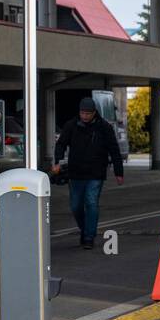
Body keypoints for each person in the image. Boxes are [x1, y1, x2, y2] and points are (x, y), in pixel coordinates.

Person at [52, 97, 125, 250]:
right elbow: (61, 144)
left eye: (88, 114)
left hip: (95, 173)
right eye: (82, 113)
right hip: (76, 173)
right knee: (75, 206)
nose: (85, 116)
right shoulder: (71, 125)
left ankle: (89, 237)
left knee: (91, 203)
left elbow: (114, 149)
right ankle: (85, 230)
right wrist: (57, 161)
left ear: (94, 113)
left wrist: (119, 172)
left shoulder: (104, 127)